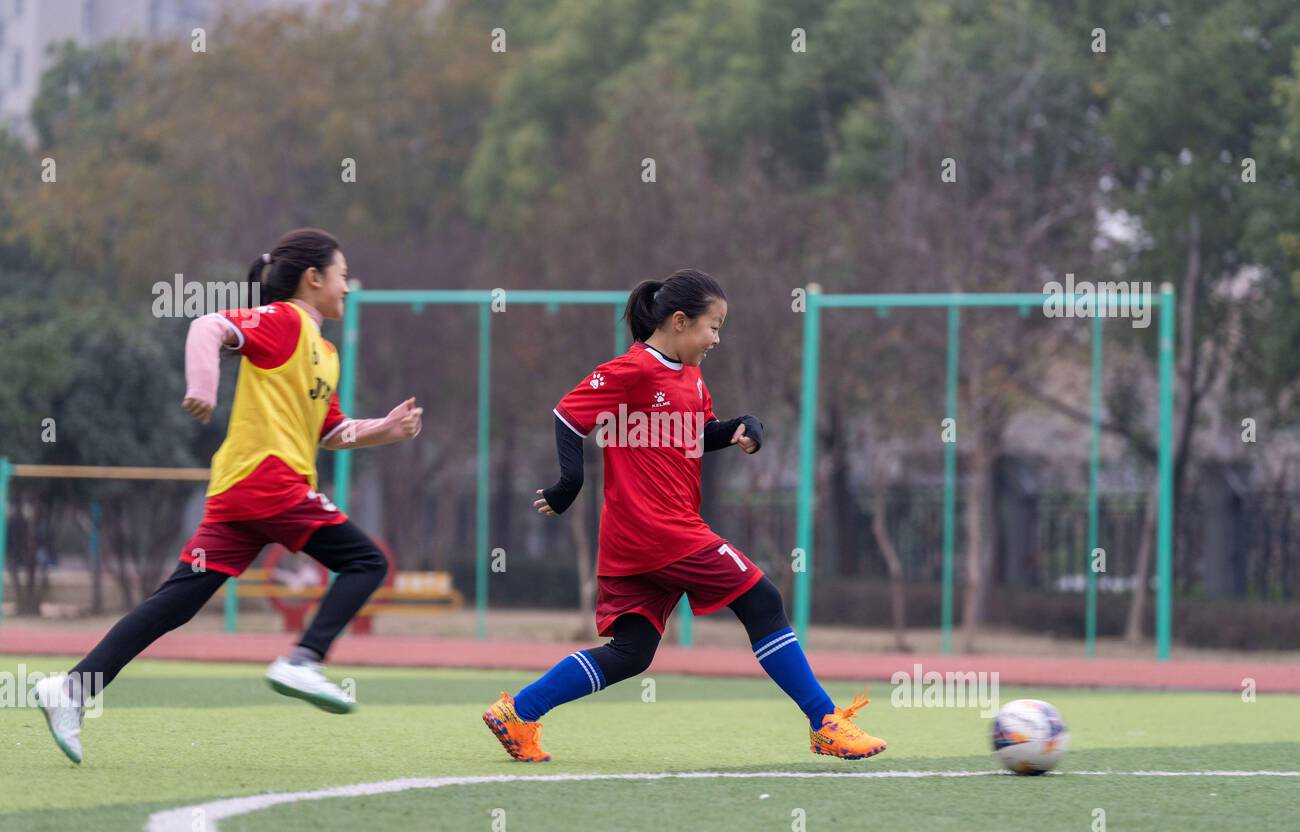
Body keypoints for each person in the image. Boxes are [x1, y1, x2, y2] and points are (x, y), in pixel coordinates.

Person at [35, 228, 423, 765]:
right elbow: (207, 324)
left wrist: (387, 428)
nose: (348, 288)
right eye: (342, 275)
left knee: (176, 602)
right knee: (366, 561)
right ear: (313, 279)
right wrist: (203, 385)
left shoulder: (326, 352)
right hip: (269, 483)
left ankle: (72, 690)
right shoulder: (285, 319)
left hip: (240, 494)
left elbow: (330, 431)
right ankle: (303, 660)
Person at [481, 269, 886, 762]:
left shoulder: (691, 377)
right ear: (678, 321)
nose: (716, 338)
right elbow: (568, 413)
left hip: (639, 539)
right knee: (763, 600)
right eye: (712, 326)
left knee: (632, 653)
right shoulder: (634, 369)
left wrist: (740, 427)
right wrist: (570, 482)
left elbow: (699, 433)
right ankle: (825, 722)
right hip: (658, 532)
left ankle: (518, 712)